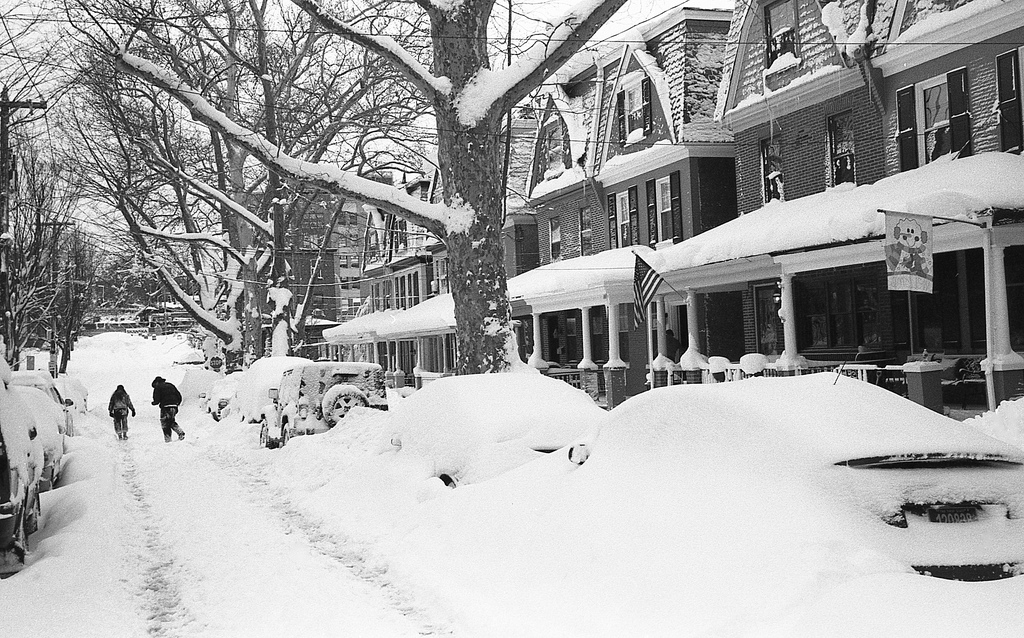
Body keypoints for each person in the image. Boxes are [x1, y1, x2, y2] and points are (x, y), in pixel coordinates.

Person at [151, 376, 185, 442]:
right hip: (174, 406)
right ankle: (180, 432)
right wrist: (177, 404)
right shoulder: (171, 385)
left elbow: (156, 400)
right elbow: (179, 396)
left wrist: (153, 403)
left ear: (156, 382)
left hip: (166, 407)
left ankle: (168, 439)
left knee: (165, 422)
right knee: (170, 421)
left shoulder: (158, 387)